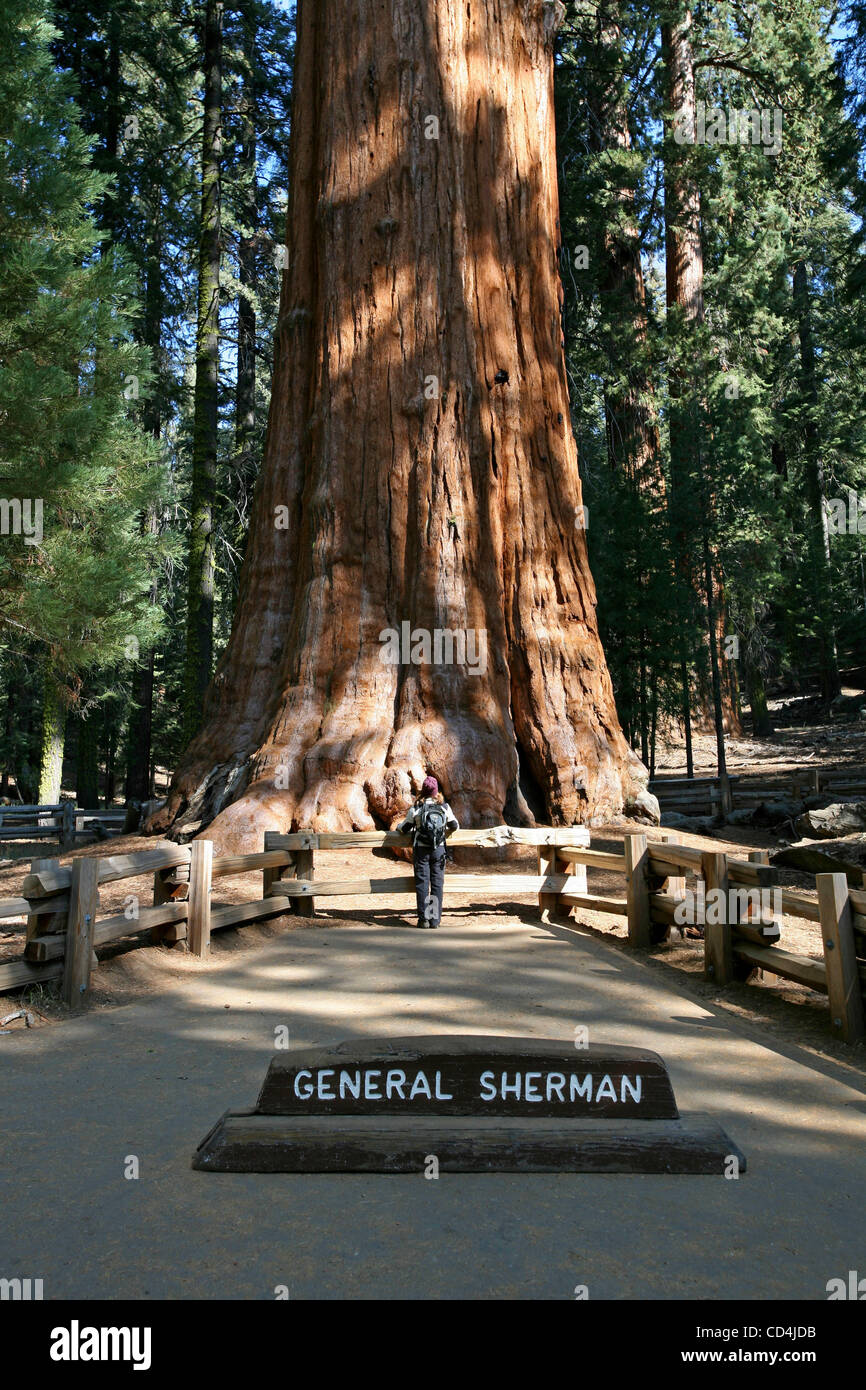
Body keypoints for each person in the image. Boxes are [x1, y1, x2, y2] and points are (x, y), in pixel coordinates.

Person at [398, 775, 459, 929]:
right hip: (438, 849)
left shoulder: (417, 808)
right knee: (437, 884)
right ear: (436, 792)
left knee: (422, 883)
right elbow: (455, 825)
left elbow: (404, 828)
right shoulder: (444, 807)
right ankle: (435, 920)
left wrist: (399, 826)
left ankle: (423, 920)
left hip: (421, 850)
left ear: (423, 791)